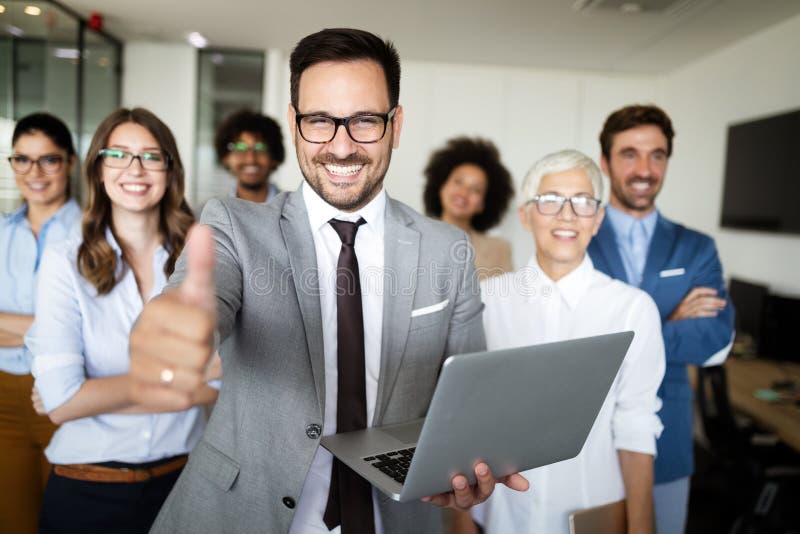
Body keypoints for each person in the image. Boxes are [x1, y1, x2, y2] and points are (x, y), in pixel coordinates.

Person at [127, 28, 528, 534]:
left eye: (364, 121)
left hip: (398, 516)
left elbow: (469, 396)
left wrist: (470, 460)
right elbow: (199, 298)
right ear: (294, 124)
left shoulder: (447, 248)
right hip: (241, 514)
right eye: (320, 121)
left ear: (395, 125)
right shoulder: (233, 225)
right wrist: (176, 323)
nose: (341, 147)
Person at [449, 149, 664, 534]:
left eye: (582, 202)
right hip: (500, 517)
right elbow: (464, 421)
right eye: (550, 201)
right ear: (526, 215)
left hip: (593, 514)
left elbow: (636, 427)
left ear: (597, 219)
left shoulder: (633, 310)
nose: (567, 215)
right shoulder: (486, 300)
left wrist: (643, 528)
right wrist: (461, 526)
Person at [26, 108, 218, 534]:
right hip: (86, 489)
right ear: (98, 167)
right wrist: (184, 381)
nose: (135, 168)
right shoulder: (63, 262)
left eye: (151, 156)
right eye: (119, 154)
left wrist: (94, 393)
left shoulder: (201, 259)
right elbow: (61, 403)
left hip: (184, 485)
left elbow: (227, 381)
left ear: (170, 169)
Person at [587, 104, 735, 534]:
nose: (645, 169)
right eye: (630, 153)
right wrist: (670, 320)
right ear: (606, 161)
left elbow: (713, 335)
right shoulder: (576, 236)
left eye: (657, 155)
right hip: (584, 433)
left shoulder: (696, 248)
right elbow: (569, 338)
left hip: (666, 438)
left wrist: (620, 338)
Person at [0, 112, 81, 534]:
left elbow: (88, 331)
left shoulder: (92, 232)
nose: (34, 172)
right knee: (13, 521)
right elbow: (65, 327)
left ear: (69, 162)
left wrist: (11, 328)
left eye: (47, 160)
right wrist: (49, 328)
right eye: (22, 160)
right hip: (3, 396)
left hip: (65, 394)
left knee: (63, 519)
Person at [423, 137, 514, 279]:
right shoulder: (411, 239)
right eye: (458, 182)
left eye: (476, 189)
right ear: (441, 186)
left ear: (483, 204)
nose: (463, 193)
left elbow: (505, 298)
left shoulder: (500, 250)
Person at [214, 109, 286, 203]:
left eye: (260, 148)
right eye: (240, 148)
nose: (251, 160)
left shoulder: (296, 213)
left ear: (274, 157)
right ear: (226, 157)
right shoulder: (207, 214)